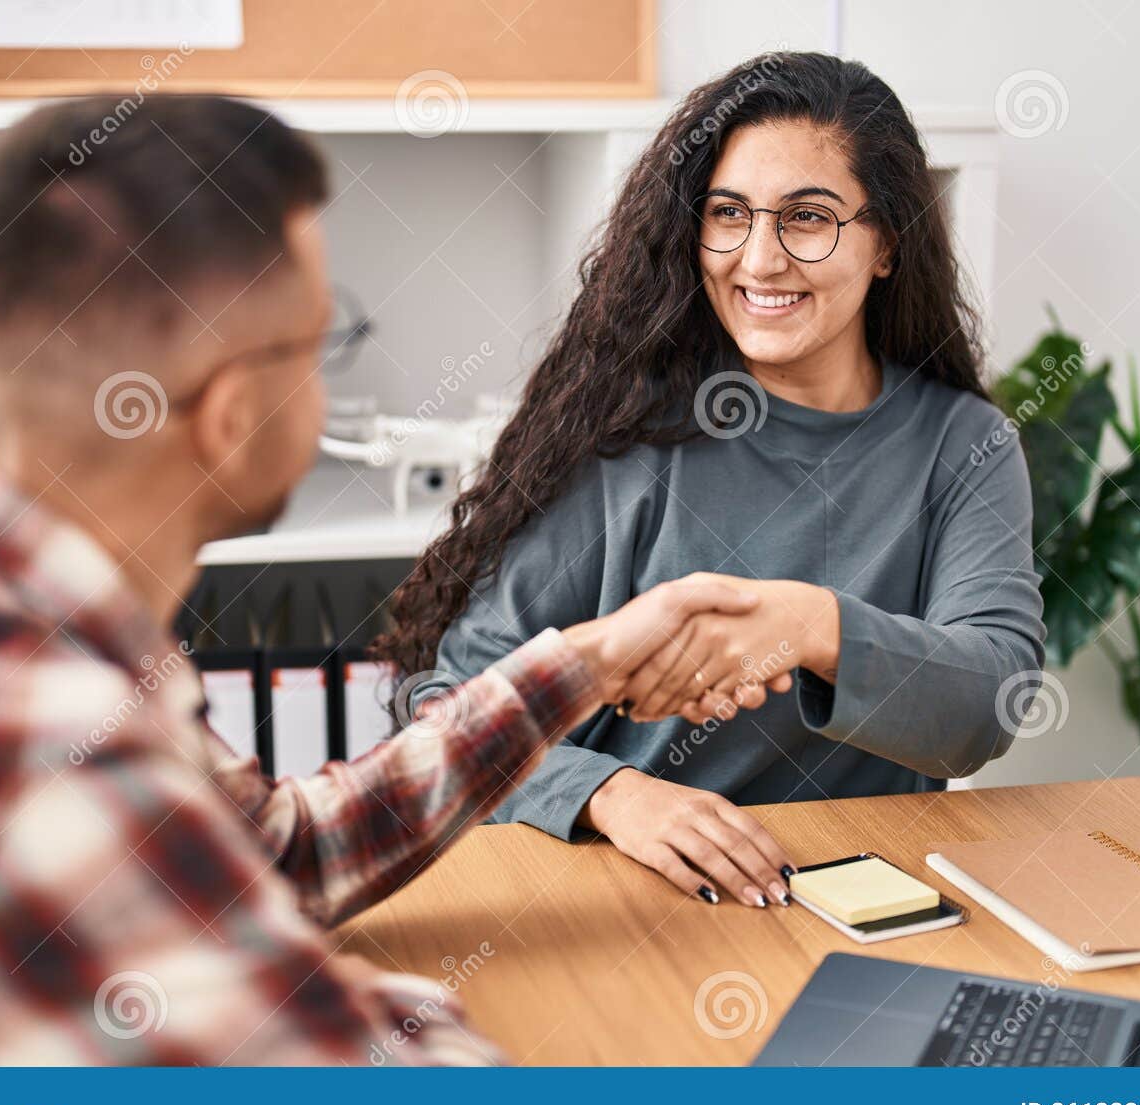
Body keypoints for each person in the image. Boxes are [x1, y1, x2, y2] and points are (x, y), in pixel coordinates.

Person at [0, 94, 782, 1066]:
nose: (325, 386)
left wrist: (586, 662)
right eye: (314, 347)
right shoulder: (52, 746)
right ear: (230, 416)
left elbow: (282, 856)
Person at [376, 53, 1046, 908]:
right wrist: (613, 797)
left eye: (808, 218)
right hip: (630, 887)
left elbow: (989, 701)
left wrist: (807, 622)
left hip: (859, 900)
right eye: (728, 214)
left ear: (887, 245)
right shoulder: (629, 437)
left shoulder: (964, 445)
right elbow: (445, 705)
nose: (759, 260)